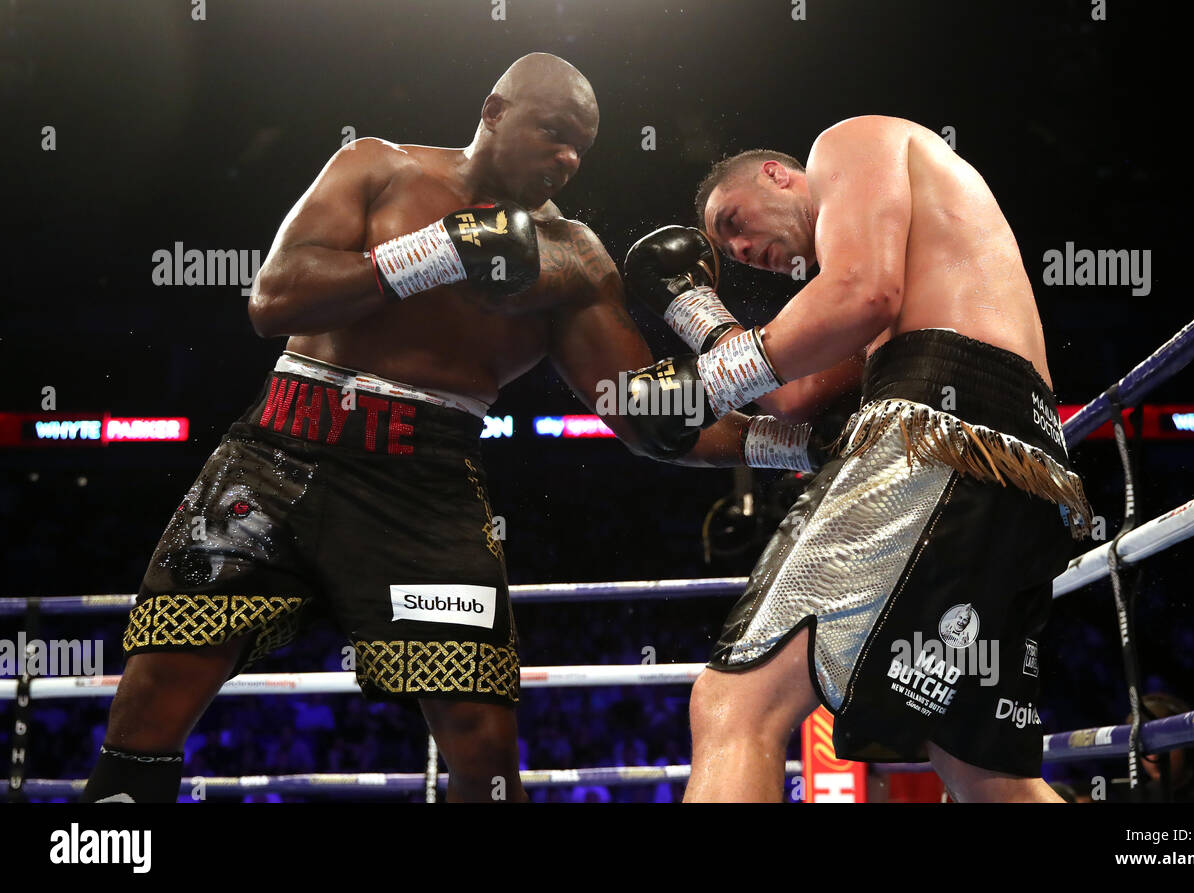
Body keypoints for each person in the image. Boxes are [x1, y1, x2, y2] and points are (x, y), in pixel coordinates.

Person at [81, 52, 773, 804]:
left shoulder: (573, 258)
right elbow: (271, 300)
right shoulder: (376, 167)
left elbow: (643, 418)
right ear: (494, 111)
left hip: (424, 487)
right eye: (552, 130)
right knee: (150, 700)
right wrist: (436, 252)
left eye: (582, 144)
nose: (568, 156)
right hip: (277, 456)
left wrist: (792, 444)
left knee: (483, 747)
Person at [619, 115, 1092, 802]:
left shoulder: (851, 142)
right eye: (727, 244)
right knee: (982, 772)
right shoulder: (913, 253)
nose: (742, 247)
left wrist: (702, 386)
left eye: (734, 221)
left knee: (735, 706)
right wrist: (692, 306)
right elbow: (793, 395)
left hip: (936, 434)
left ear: (779, 174)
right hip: (1019, 465)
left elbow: (862, 294)